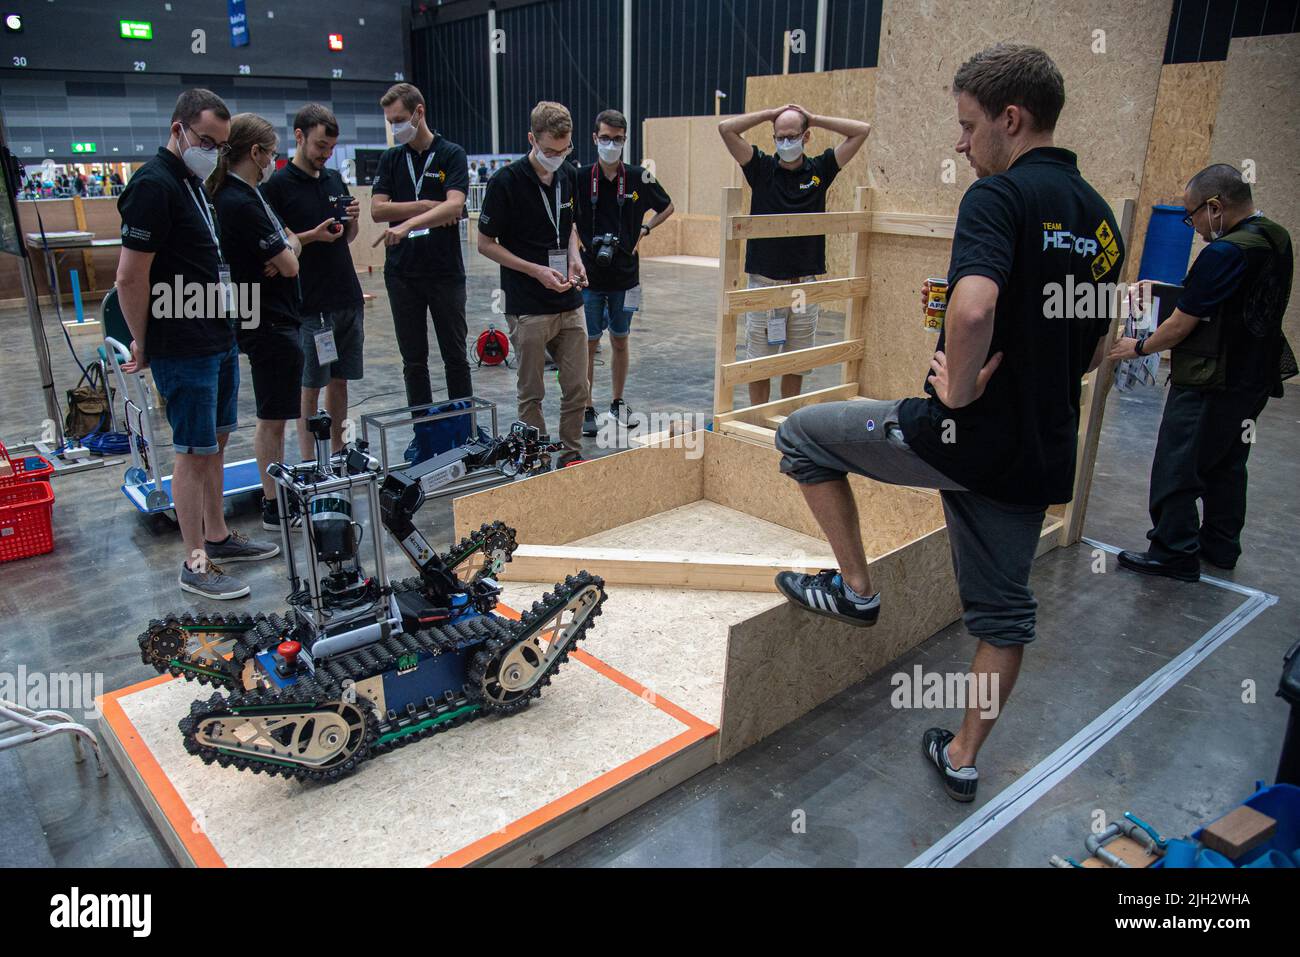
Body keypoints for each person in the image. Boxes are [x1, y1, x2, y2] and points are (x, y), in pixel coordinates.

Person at [773, 45, 1123, 803]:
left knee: (800, 437)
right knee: (1004, 617)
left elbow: (971, 307)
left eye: (968, 126)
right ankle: (961, 756)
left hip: (957, 439)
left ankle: (858, 589)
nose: (960, 144)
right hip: (1035, 456)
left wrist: (959, 393)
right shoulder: (1100, 222)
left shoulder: (998, 198)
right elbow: (1099, 343)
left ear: (1012, 118)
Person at [116, 88, 279, 601]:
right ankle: (196, 562)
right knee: (191, 452)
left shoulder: (193, 184)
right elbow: (129, 277)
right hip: (180, 340)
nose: (213, 150)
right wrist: (142, 340)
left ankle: (218, 536)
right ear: (179, 129)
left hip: (215, 332)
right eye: (206, 140)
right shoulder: (153, 184)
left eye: (220, 143)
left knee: (215, 444)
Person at [1112, 165, 1293, 580]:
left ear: (1215, 207)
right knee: (1227, 463)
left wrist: (1135, 347)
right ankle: (1220, 546)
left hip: (1211, 380)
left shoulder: (1224, 252)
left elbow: (1181, 325)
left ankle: (1173, 551)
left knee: (1179, 465)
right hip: (1255, 378)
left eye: (1191, 214)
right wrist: (1163, 289)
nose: (1192, 225)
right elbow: (1228, 298)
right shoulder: (1275, 238)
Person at [718, 102, 871, 405]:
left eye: (793, 136)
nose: (786, 143)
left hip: (804, 283)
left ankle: (788, 419)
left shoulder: (819, 171)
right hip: (765, 282)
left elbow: (861, 132)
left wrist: (814, 116)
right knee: (759, 364)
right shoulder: (761, 168)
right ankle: (760, 420)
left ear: (806, 137)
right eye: (780, 137)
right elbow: (726, 130)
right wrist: (768, 115)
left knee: (797, 362)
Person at [476, 101, 588, 465]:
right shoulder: (505, 182)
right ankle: (536, 459)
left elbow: (569, 225)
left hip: (568, 301)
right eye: (550, 150)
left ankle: (571, 455)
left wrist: (575, 256)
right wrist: (535, 270)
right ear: (532, 139)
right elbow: (485, 244)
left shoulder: (569, 175)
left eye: (565, 148)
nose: (558, 156)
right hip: (527, 306)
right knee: (532, 392)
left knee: (577, 387)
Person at [210, 113, 305, 532]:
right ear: (256, 152)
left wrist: (289, 248)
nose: (273, 161)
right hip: (267, 319)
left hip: (270, 315)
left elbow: (291, 243)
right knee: (273, 417)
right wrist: (287, 250)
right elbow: (289, 263)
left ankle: (276, 496)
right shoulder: (239, 200)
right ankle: (274, 504)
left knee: (277, 414)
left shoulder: (251, 195)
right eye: (271, 153)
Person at [261, 103, 365, 462]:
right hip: (310, 303)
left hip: (346, 296)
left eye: (332, 148)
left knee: (340, 379)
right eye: (321, 146)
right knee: (311, 384)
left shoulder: (335, 179)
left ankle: (336, 450)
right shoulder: (276, 187)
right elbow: (278, 246)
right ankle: (309, 459)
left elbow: (347, 238)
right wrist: (312, 236)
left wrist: (352, 221)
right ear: (300, 137)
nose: (326, 154)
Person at [371, 83, 473, 415]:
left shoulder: (451, 154)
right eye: (390, 122)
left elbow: (455, 206)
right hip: (402, 274)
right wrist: (427, 206)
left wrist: (406, 223)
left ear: (419, 112)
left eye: (399, 119)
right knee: (414, 360)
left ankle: (464, 427)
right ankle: (423, 428)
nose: (395, 127)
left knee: (455, 355)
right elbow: (377, 210)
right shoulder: (391, 159)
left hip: (444, 272)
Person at [574, 109, 674, 435]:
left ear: (625, 140)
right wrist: (576, 242)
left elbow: (667, 206)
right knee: (588, 343)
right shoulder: (580, 176)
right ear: (594, 138)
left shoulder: (638, 177)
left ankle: (617, 401)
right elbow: (567, 217)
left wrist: (645, 228)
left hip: (625, 276)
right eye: (605, 138)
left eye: (617, 139)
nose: (611, 144)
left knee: (620, 339)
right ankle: (586, 405)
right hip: (588, 277)